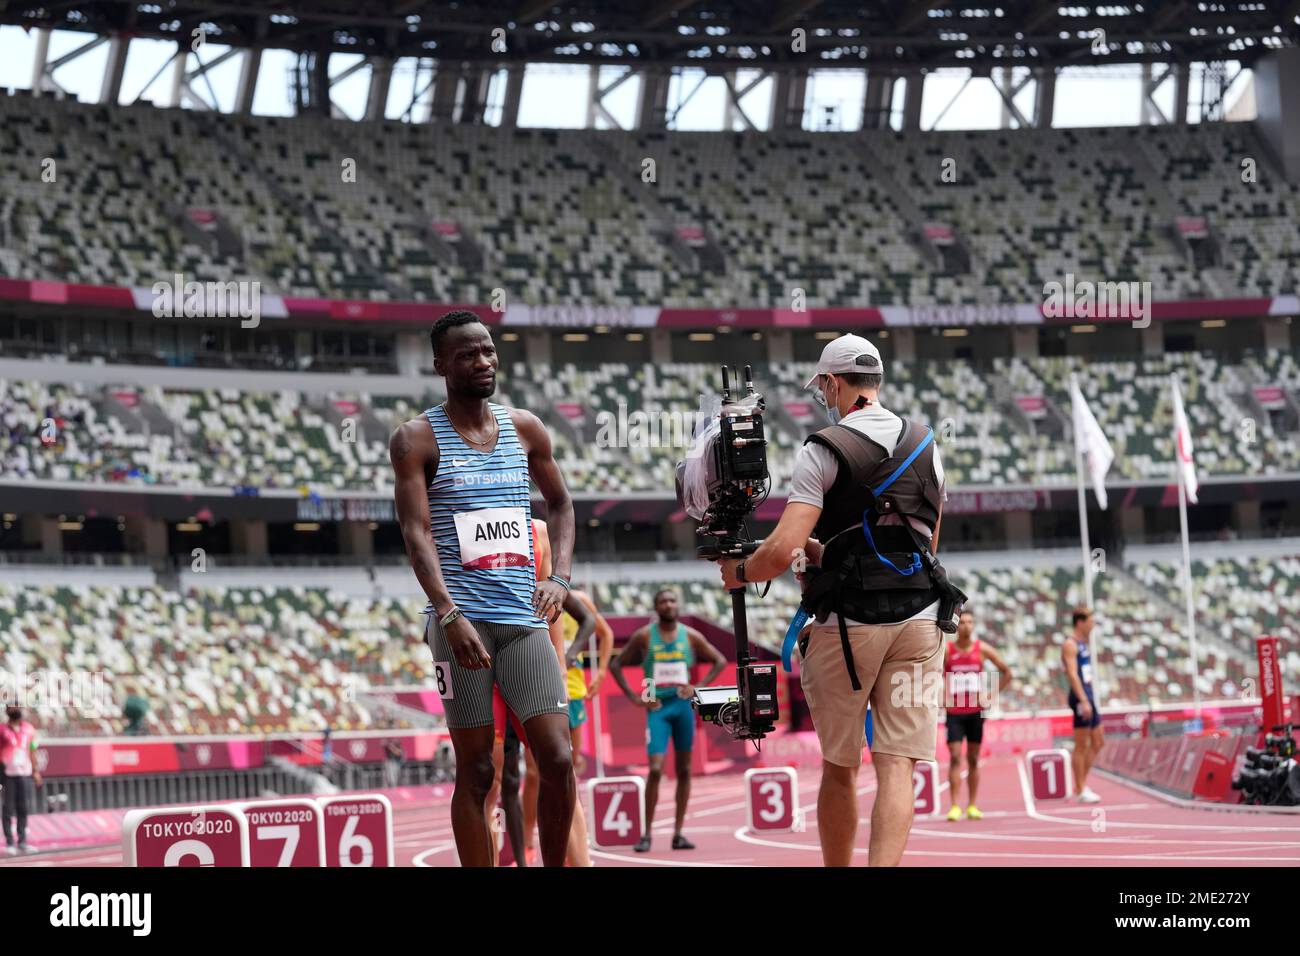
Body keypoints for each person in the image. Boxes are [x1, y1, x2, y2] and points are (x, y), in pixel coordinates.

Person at [717, 333, 964, 867]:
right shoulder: (927, 442)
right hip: (922, 619)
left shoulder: (822, 447)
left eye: (823, 386)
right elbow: (928, 539)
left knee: (840, 765)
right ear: (877, 381)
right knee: (898, 765)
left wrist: (739, 571)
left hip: (847, 626)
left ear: (833, 382)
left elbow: (781, 549)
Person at [391, 310, 577, 867]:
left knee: (559, 758)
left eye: (489, 351)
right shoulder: (416, 439)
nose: (483, 362)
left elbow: (563, 504)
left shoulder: (525, 429)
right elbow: (415, 532)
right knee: (476, 770)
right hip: (461, 627)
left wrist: (559, 577)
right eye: (468, 354)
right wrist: (448, 614)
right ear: (440, 364)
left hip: (523, 620)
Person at [610, 589, 727, 853]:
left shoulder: (691, 636)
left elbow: (719, 660)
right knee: (655, 768)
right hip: (657, 707)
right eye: (663, 601)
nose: (669, 604)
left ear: (678, 605)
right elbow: (616, 665)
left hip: (683, 706)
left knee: (685, 770)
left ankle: (678, 833)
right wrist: (635, 698)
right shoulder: (644, 635)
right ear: (656, 607)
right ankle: (647, 834)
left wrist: (697, 688)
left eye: (673, 600)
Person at [943, 609, 1012, 821]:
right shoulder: (946, 650)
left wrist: (991, 695)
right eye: (962, 622)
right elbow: (931, 673)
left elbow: (1007, 672)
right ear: (957, 626)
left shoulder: (982, 650)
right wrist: (943, 695)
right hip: (955, 713)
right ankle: (954, 806)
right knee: (955, 757)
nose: (966, 626)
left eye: (970, 622)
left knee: (973, 758)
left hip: (975, 712)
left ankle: (972, 805)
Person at [561, 589, 614, 777]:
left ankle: (570, 803)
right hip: (541, 684)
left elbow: (606, 634)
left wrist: (600, 674)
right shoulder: (531, 590)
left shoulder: (579, 599)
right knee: (543, 764)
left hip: (573, 688)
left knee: (571, 763)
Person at [1062, 606, 1104, 804]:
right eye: (1090, 619)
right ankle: (1080, 789)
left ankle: (1081, 784)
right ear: (1080, 622)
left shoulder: (1084, 643)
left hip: (1089, 694)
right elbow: (1072, 674)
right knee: (1082, 745)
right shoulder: (1070, 644)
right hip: (1081, 698)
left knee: (1098, 741)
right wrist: (1084, 700)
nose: (1093, 622)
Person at [1, 705, 40, 854]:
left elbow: (33, 750)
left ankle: (22, 841)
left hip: (25, 773)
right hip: (8, 773)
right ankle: (10, 842)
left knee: (23, 808)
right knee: (8, 808)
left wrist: (36, 771)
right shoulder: (2, 730)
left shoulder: (29, 729)